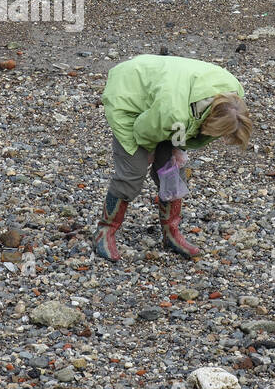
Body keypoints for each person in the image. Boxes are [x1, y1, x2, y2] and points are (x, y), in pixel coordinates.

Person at [93, 55, 253, 263]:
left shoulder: (234, 93)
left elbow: (187, 127)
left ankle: (171, 234)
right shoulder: (174, 113)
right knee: (132, 173)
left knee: (173, 171)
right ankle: (105, 231)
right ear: (210, 120)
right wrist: (148, 153)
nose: (221, 140)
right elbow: (144, 130)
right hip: (130, 93)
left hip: (168, 104)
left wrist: (178, 149)